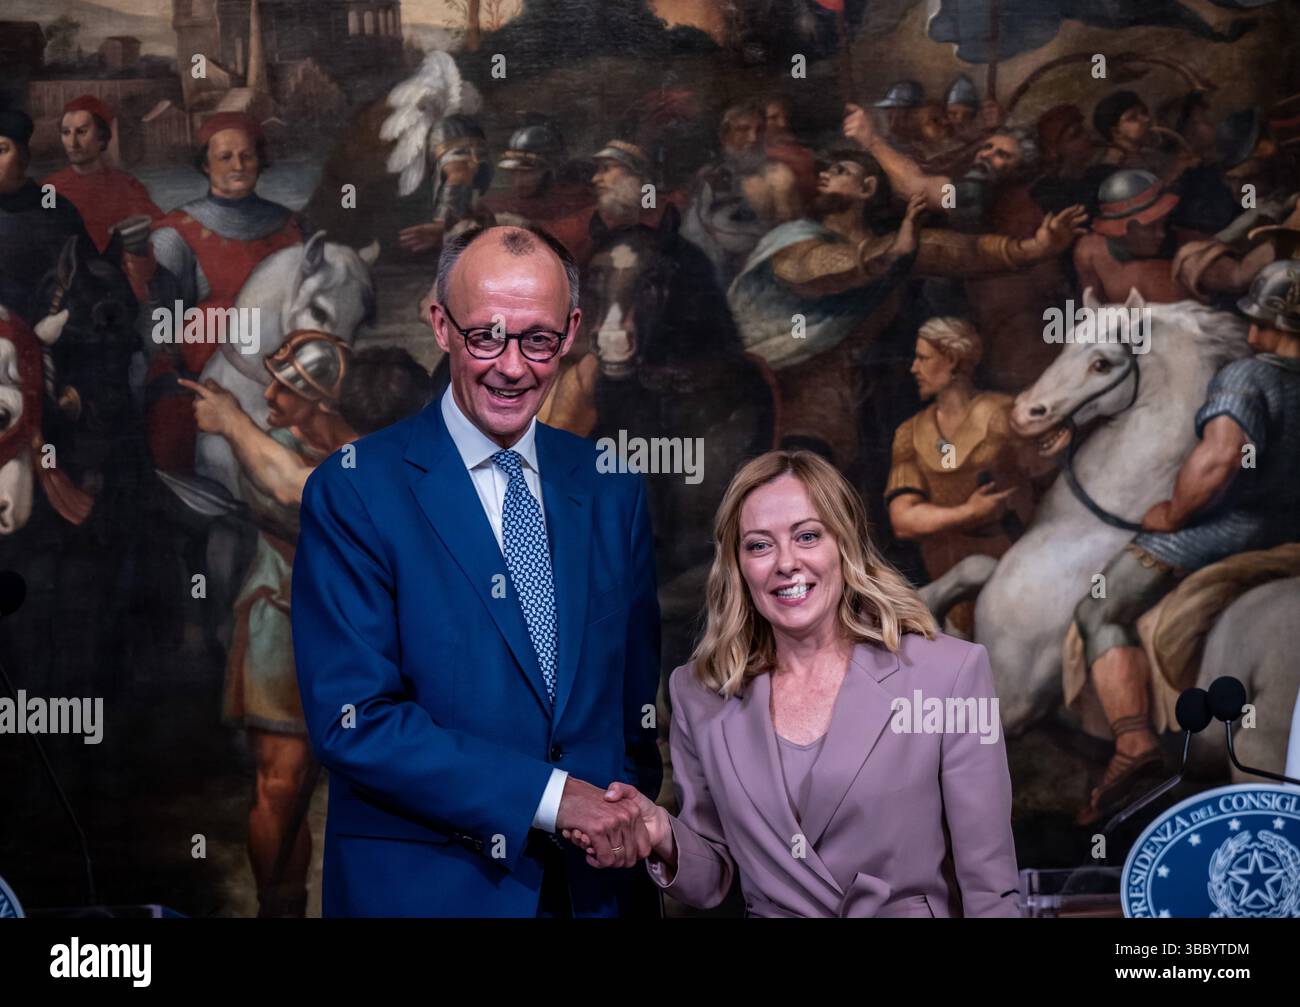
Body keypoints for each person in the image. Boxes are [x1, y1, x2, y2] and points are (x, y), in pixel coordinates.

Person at [290, 224, 663, 917]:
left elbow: (633, 718)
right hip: (428, 896)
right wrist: (553, 799)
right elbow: (356, 719)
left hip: (595, 898)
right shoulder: (354, 489)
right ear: (441, 323)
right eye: (485, 336)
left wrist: (618, 818)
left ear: (573, 331)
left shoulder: (612, 488)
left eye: (537, 339)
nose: (512, 366)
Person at [562, 450, 1020, 917]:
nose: (786, 563)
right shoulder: (699, 694)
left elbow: (990, 888)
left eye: (807, 536)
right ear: (738, 565)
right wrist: (661, 831)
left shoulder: (949, 674)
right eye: (759, 545)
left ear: (845, 544)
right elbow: (715, 876)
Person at [1070, 260, 1300, 825]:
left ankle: (1133, 743)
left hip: (1235, 530)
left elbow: (1221, 456)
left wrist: (1173, 512)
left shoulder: (1248, 377)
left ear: (1263, 321)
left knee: (1099, 607)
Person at [182, 330, 359, 917]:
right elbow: (268, 469)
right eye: (275, 380)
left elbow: (293, 485)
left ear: (324, 401)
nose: (273, 394)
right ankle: (277, 909)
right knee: (281, 785)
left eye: (289, 386)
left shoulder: (362, 457)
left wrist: (231, 420)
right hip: (278, 623)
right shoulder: (272, 438)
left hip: (352, 639)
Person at [126, 111, 309, 472]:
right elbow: (159, 324)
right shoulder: (175, 234)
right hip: (198, 378)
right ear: (206, 166)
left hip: (284, 377)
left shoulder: (293, 227)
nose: (238, 165)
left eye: (247, 156)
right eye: (225, 157)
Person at [886, 318, 1045, 636]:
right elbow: (903, 519)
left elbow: (1044, 477)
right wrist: (970, 513)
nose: (913, 369)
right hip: (949, 596)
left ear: (953, 359)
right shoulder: (910, 433)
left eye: (923, 358)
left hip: (1018, 585)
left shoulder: (1004, 414)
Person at [42, 95, 161, 253]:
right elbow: (42, 233)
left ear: (101, 137)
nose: (72, 143)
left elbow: (159, 230)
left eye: (81, 132)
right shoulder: (49, 188)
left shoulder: (127, 186)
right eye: (66, 132)